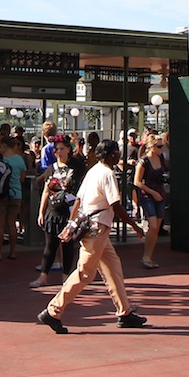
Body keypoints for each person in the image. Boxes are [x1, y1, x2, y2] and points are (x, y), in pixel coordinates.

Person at [37, 139, 148, 333]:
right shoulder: (107, 173)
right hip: (97, 229)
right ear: (111, 154)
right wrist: (134, 226)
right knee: (85, 272)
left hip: (94, 228)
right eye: (116, 152)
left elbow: (79, 200)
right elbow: (115, 205)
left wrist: (71, 225)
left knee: (113, 268)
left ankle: (124, 312)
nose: (118, 155)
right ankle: (53, 310)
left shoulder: (93, 170)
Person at [31, 136, 84, 289]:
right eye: (57, 149)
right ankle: (43, 276)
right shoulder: (51, 169)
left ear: (68, 149)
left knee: (67, 245)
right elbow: (46, 191)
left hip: (69, 212)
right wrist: (41, 212)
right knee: (50, 246)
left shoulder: (76, 167)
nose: (59, 152)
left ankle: (66, 277)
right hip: (52, 212)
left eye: (62, 148)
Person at [0, 134, 25, 261]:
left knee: (0, 226)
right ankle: (13, 252)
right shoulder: (19, 160)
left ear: (5, 146)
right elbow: (22, 179)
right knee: (12, 224)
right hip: (16, 194)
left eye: (0, 145)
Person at [134, 136, 168, 269]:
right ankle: (146, 257)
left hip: (160, 194)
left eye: (162, 146)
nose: (161, 149)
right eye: (159, 146)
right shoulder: (144, 161)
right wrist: (152, 192)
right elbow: (137, 182)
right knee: (153, 225)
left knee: (156, 227)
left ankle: (148, 256)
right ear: (151, 147)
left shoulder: (160, 159)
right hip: (148, 195)